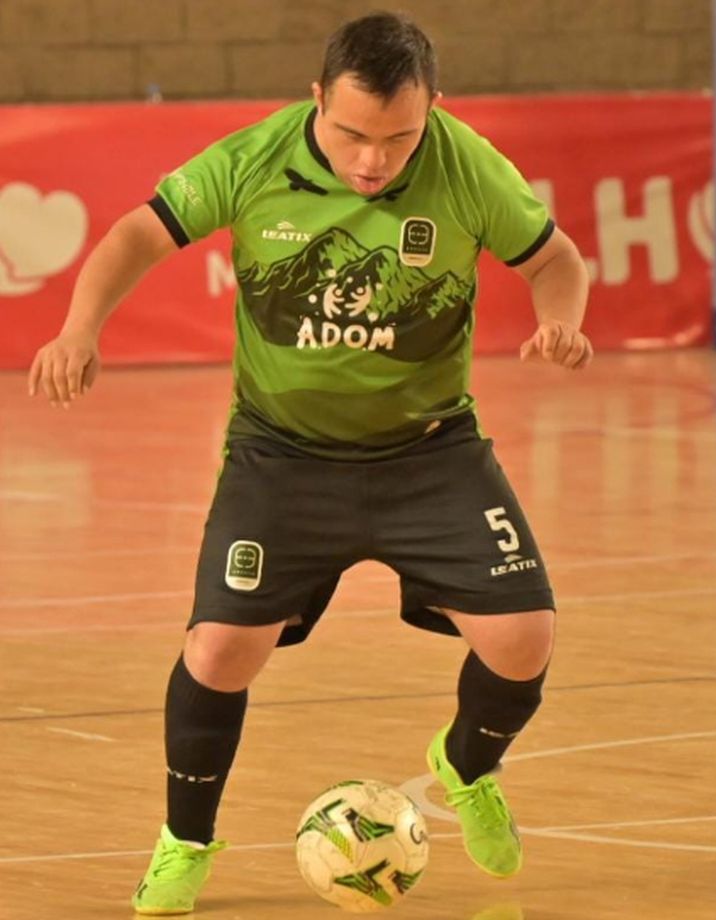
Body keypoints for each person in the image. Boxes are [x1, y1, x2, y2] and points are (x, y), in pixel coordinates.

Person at [27, 11, 592, 914]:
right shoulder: (254, 158)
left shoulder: (465, 164)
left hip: (430, 450)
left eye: (399, 139)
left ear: (433, 109)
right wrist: (77, 330)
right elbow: (138, 233)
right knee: (219, 650)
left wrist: (561, 319)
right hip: (280, 455)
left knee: (526, 638)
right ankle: (184, 843)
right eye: (353, 134)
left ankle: (465, 768)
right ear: (317, 98)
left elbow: (555, 259)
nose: (374, 161)